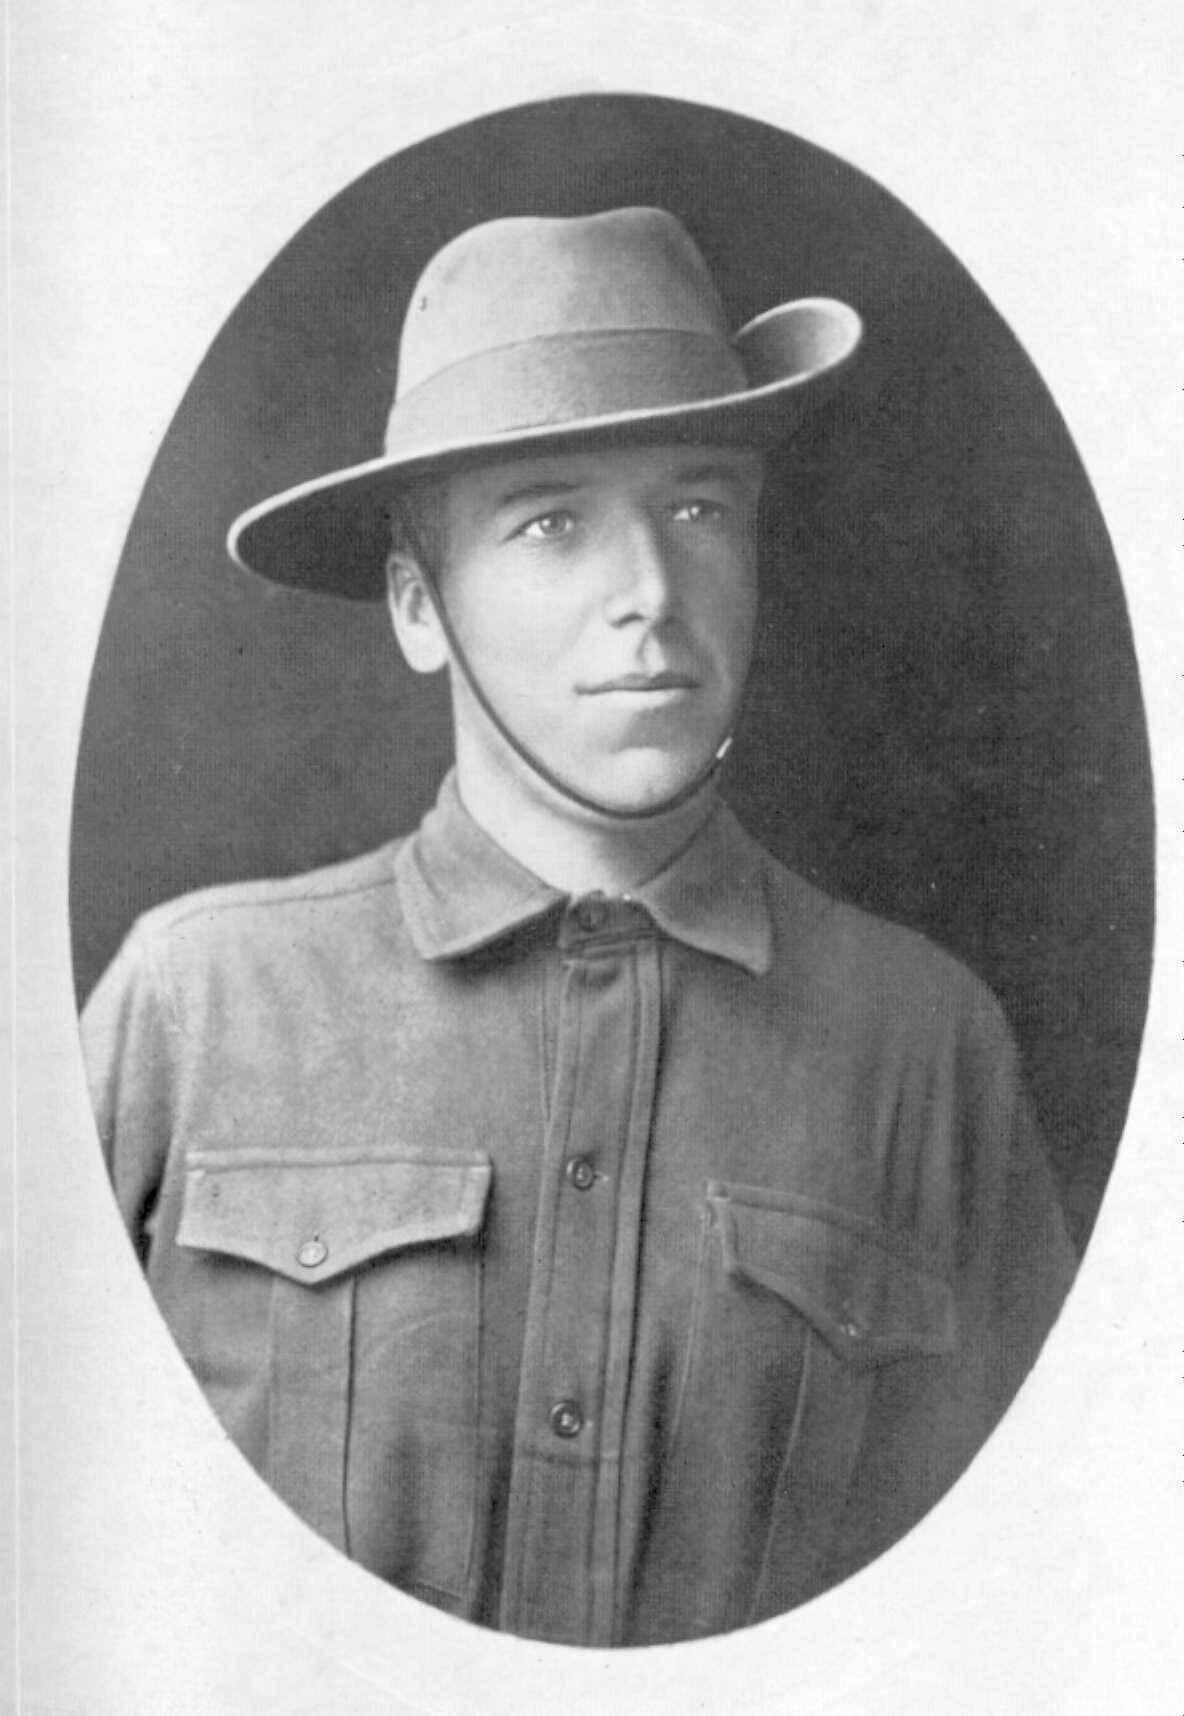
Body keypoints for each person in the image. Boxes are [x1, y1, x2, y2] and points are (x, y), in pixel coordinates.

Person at [80, 206, 1075, 1648]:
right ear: (421, 609)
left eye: (699, 510)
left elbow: (1038, 1604)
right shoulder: (192, 1004)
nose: (653, 599)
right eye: (552, 523)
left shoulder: (926, 1049)